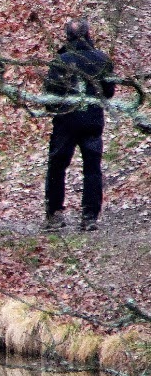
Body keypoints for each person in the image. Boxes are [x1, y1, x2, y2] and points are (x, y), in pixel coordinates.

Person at [41, 19, 115, 232]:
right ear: (88, 34)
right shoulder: (102, 59)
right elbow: (108, 92)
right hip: (92, 120)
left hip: (66, 121)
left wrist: (56, 110)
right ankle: (89, 216)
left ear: (68, 36)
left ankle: (54, 214)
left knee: (57, 166)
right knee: (92, 169)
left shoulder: (61, 61)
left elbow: (50, 95)